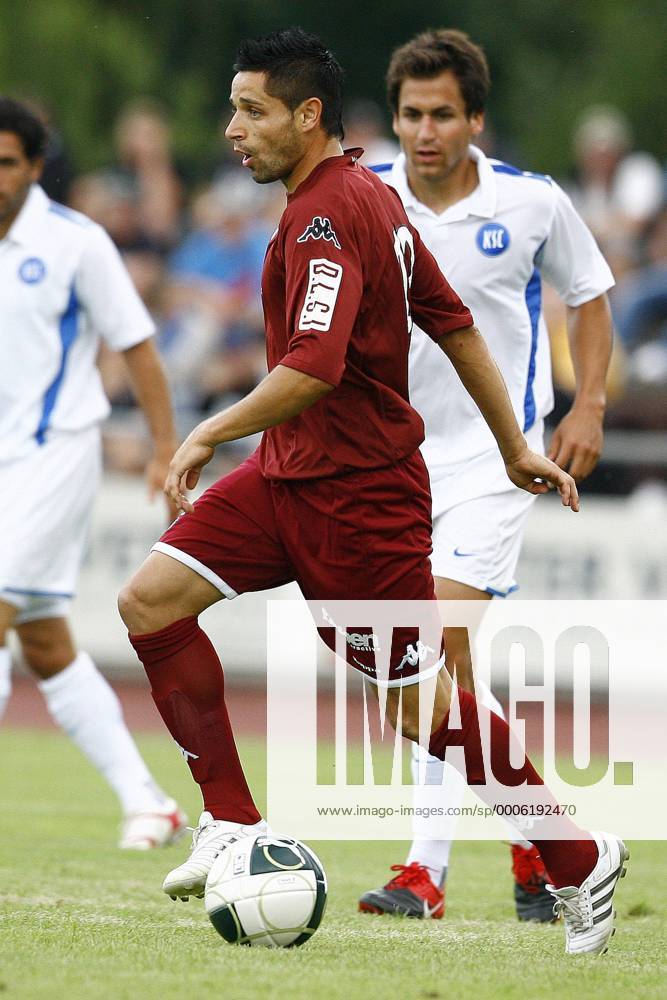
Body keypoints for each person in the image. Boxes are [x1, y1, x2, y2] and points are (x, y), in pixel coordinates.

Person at [118, 29, 627, 956]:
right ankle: (230, 821)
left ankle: (577, 852)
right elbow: (452, 320)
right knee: (151, 601)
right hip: (287, 477)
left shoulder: (324, 216)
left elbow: (312, 364)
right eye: (233, 107)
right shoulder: (368, 197)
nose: (234, 129)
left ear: (306, 116)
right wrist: (515, 444)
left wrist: (205, 428)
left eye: (252, 110)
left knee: (419, 709)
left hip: (357, 500)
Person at [357, 29, 615, 924]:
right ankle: (538, 840)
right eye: (409, 115)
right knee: (442, 663)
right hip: (392, 463)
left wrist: (586, 408)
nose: (423, 132)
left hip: (497, 459)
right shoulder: (367, 199)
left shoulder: (532, 202)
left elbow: (588, 294)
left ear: (474, 119)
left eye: (440, 115)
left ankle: (422, 875)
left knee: (423, 647)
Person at [0, 98, 186, 849]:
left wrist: (166, 445)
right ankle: (148, 800)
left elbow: (138, 345)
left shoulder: (76, 243)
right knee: (43, 643)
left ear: (35, 167)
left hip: (56, 453)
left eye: (7, 162)